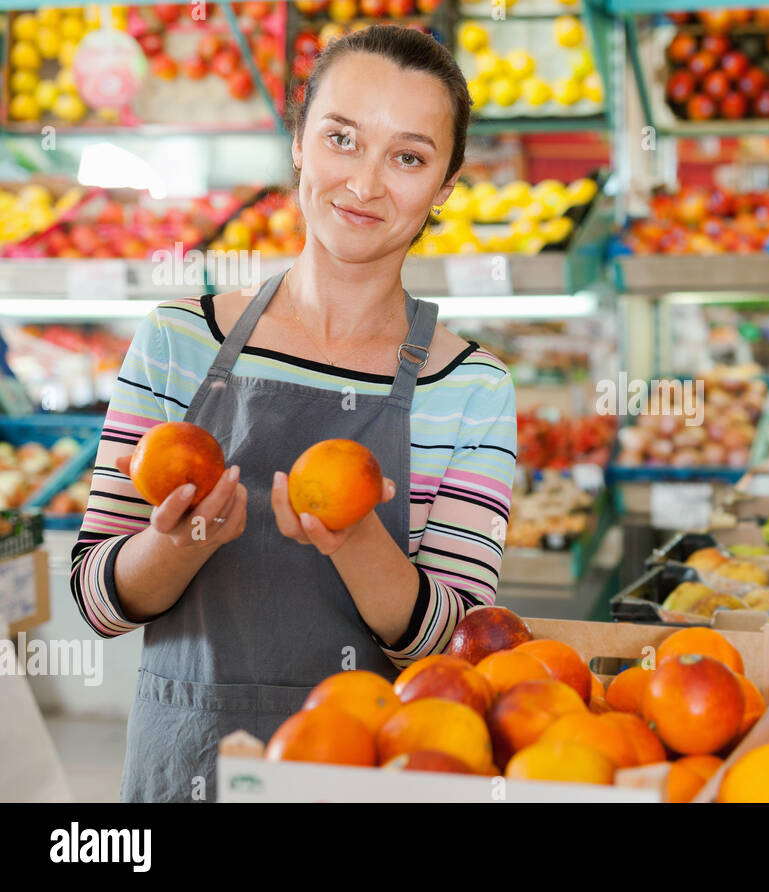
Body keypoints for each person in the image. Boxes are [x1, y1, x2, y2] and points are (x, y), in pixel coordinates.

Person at [69, 26, 516, 803]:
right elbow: (95, 600)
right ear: (300, 142)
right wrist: (177, 544)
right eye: (343, 138)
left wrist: (358, 543)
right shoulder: (177, 340)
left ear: (445, 187)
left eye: (408, 157)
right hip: (188, 769)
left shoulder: (472, 386)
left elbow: (458, 647)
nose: (366, 184)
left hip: (378, 774)